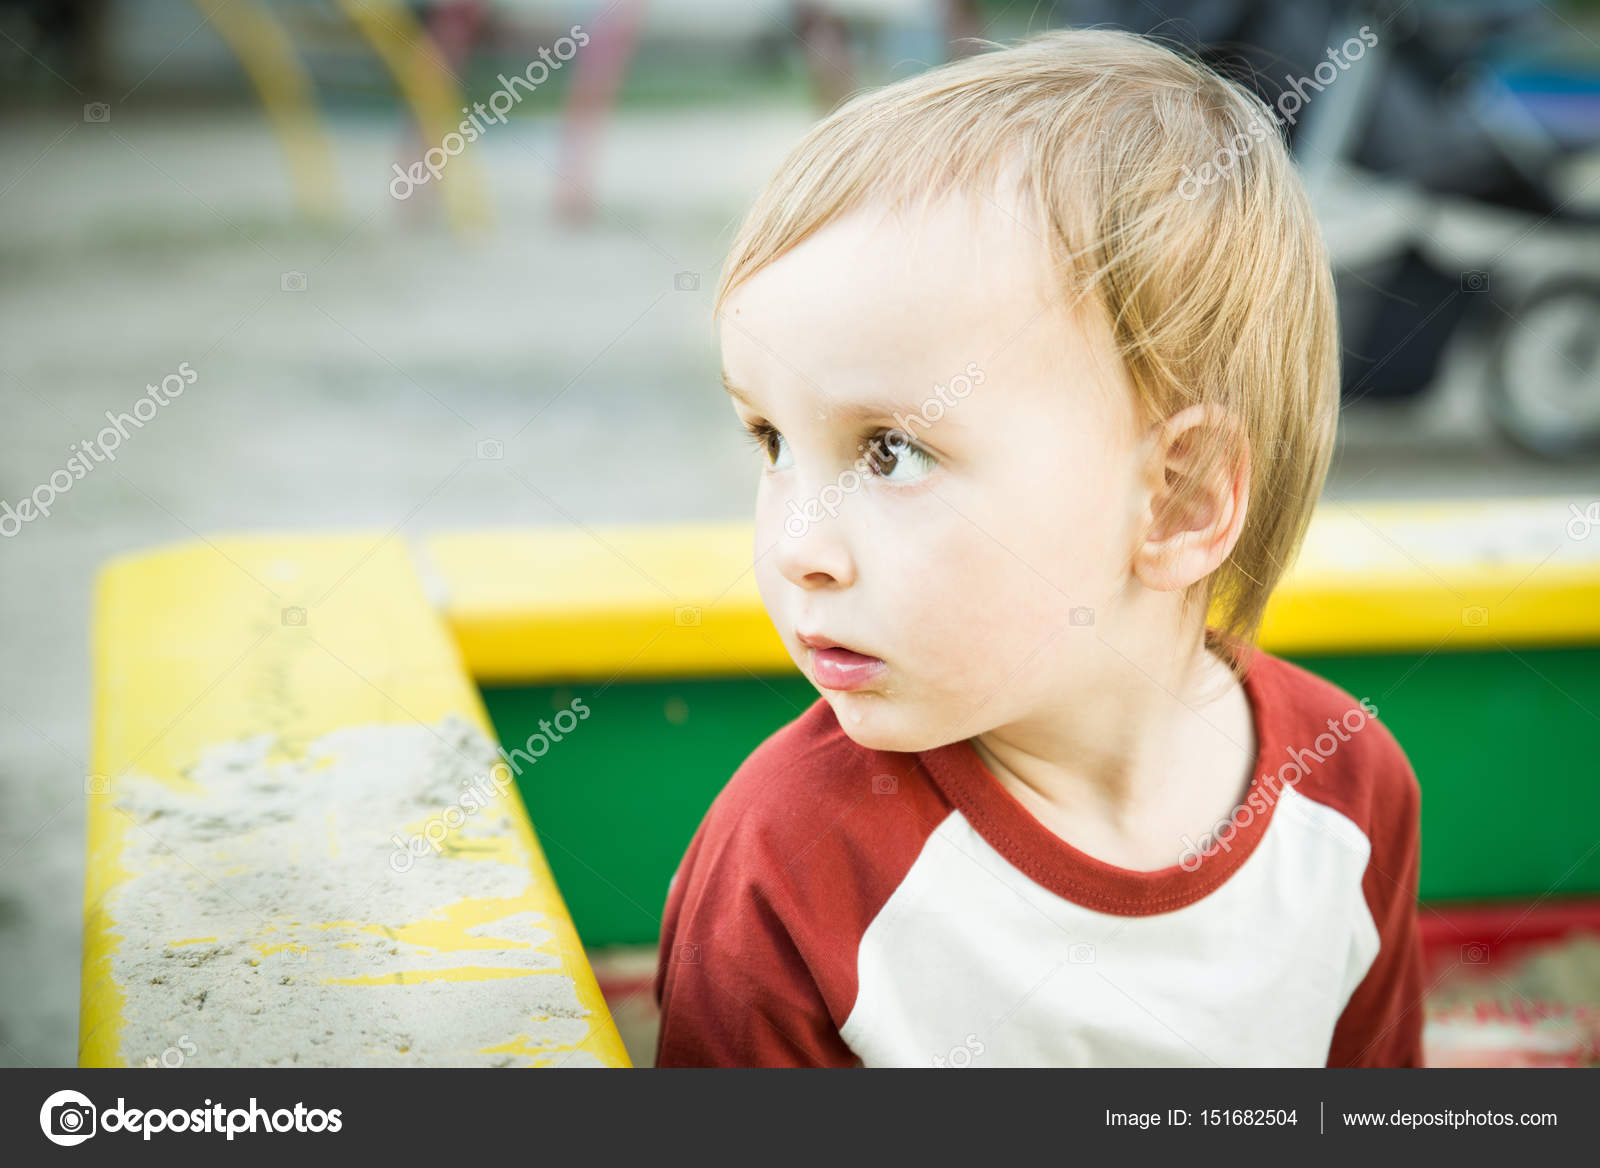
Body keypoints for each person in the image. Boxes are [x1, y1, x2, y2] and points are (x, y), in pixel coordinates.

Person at [652, 28, 1426, 1067]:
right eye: (769, 439)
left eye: (891, 452)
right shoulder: (790, 864)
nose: (796, 546)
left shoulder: (1346, 796)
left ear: (1178, 500)